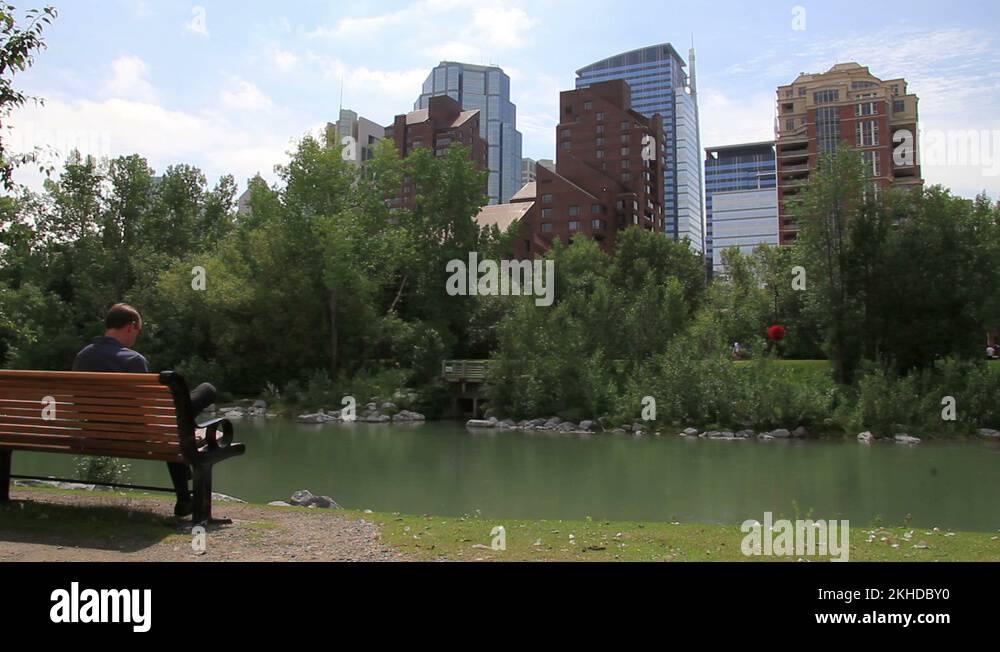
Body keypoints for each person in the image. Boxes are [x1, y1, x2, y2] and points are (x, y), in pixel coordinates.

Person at [73, 303, 216, 518]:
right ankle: (184, 499)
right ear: (131, 326)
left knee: (176, 425)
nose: (137, 336)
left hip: (91, 432)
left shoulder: (82, 357)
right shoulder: (133, 360)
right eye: (138, 330)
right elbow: (149, 413)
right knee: (205, 392)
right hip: (136, 436)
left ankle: (185, 499)